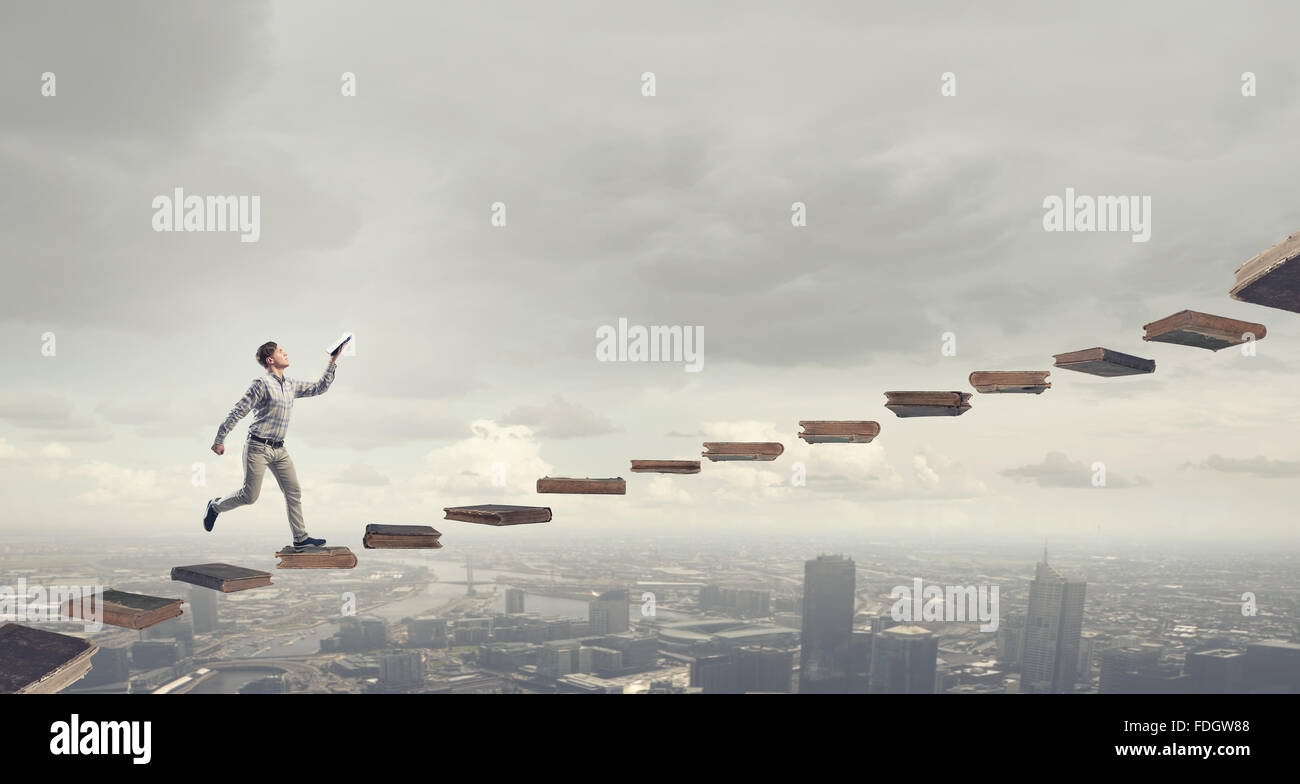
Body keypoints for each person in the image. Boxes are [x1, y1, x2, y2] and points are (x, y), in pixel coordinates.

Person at [203, 340, 343, 551]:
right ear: (270, 360)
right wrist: (219, 439)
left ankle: (300, 539)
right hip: (257, 448)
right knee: (249, 497)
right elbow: (238, 411)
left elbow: (319, 387)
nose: (284, 352)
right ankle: (215, 506)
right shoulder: (261, 384)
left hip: (279, 450)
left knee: (293, 491)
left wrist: (333, 360)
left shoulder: (291, 385)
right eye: (280, 351)